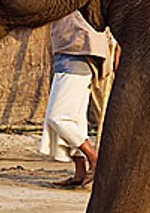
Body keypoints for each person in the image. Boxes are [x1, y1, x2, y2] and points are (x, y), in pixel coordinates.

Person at [40, 11, 112, 188]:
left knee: (58, 117)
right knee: (75, 119)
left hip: (78, 50)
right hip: (72, 49)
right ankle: (80, 172)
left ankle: (94, 158)